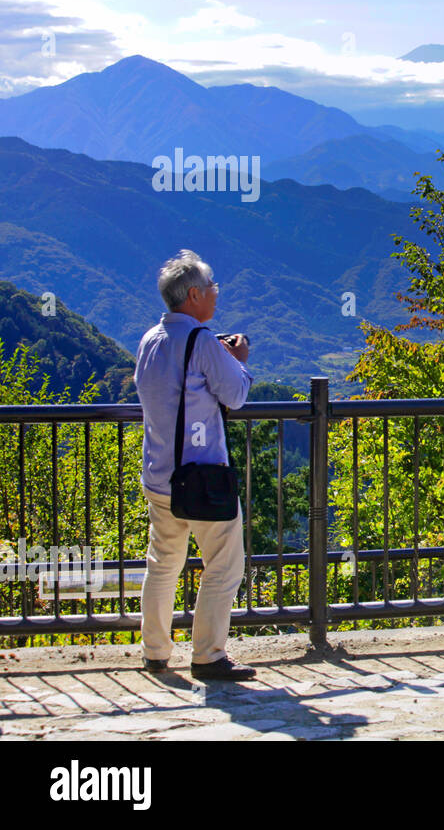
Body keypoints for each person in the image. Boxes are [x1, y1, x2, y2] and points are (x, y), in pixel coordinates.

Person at [135, 250, 255, 680]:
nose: (216, 294)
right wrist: (238, 360)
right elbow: (235, 395)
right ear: (194, 295)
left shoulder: (150, 339)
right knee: (224, 564)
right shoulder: (203, 341)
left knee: (163, 563)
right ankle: (208, 656)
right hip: (203, 478)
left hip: (160, 474)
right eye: (211, 287)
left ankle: (155, 651)